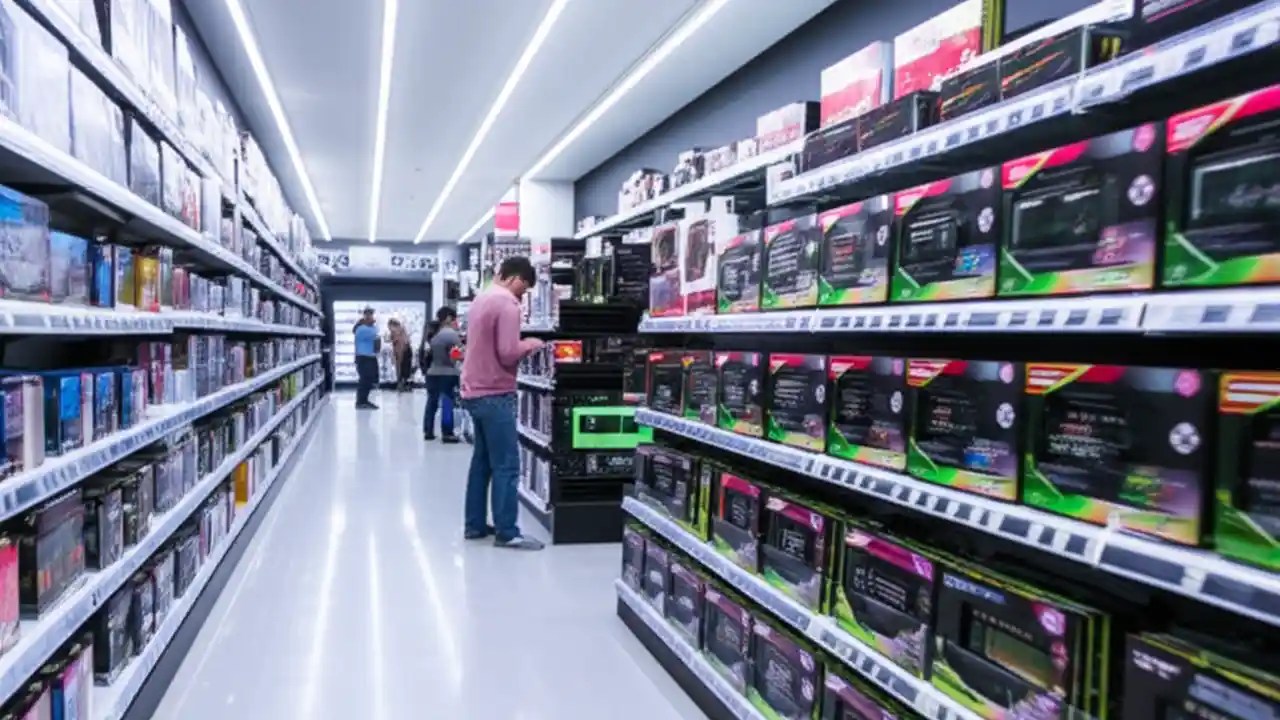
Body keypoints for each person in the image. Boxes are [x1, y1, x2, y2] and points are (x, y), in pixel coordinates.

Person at [461, 256, 545, 550]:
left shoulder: (481, 299)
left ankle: (474, 525)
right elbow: (508, 352)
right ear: (517, 279)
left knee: (482, 463)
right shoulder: (507, 304)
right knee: (507, 464)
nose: (523, 295)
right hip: (495, 392)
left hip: (473, 391)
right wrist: (532, 344)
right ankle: (508, 532)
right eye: (525, 288)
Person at [422, 306, 462, 442]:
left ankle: (428, 431)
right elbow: (455, 356)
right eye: (454, 318)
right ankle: (447, 433)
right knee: (447, 402)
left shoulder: (434, 334)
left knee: (431, 402)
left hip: (432, 372)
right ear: (449, 318)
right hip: (447, 373)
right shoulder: (452, 335)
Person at [353, 308, 380, 409]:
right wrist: (373, 326)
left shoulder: (366, 327)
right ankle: (361, 402)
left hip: (369, 357)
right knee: (365, 380)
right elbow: (375, 333)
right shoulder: (362, 329)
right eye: (369, 315)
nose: (371, 317)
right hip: (364, 357)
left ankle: (364, 400)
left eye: (372, 315)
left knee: (368, 380)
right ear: (364, 317)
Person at [388, 318, 412, 392]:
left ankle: (401, 385)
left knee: (401, 369)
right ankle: (403, 384)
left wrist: (399, 357)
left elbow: (402, 344)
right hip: (403, 352)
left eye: (389, 326)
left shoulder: (398, 332)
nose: (389, 329)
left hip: (402, 353)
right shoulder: (400, 331)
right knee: (403, 369)